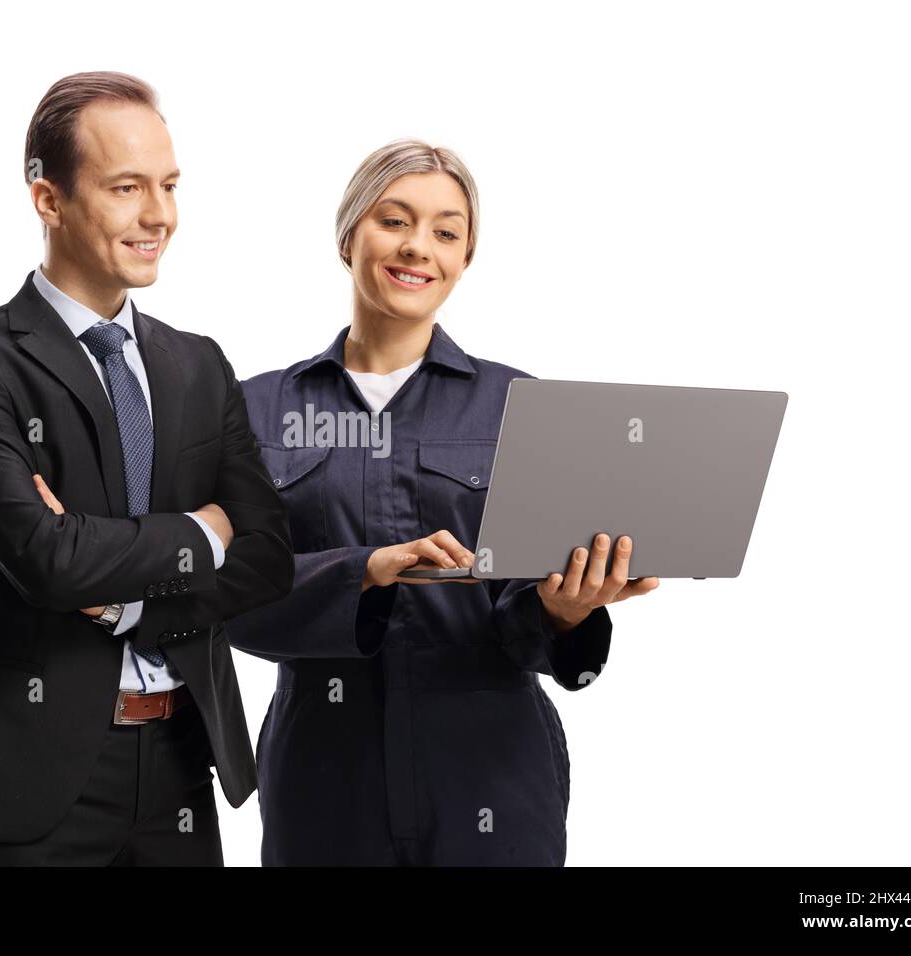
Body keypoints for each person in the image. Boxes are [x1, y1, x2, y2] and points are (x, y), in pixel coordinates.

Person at [223, 139, 660, 866]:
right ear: (348, 235)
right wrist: (363, 572)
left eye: (446, 231)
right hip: (325, 780)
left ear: (465, 257)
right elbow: (228, 597)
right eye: (394, 220)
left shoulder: (520, 407)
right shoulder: (257, 409)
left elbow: (524, 622)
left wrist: (566, 609)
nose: (418, 247)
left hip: (491, 774)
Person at [0, 71, 293, 866]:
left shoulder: (198, 364)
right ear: (49, 201)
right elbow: (49, 561)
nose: (160, 216)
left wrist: (123, 604)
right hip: (29, 784)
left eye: (170, 185)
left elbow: (267, 556)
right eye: (126, 187)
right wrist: (199, 530)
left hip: (182, 763)